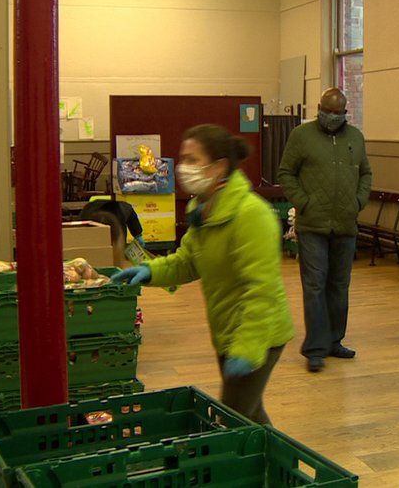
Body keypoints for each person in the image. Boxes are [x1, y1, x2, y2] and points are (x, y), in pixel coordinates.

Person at [112, 124, 294, 424]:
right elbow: (187, 262)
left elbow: (261, 290)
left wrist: (247, 348)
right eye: (183, 159)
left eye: (192, 160)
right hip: (228, 330)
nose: (183, 168)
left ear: (219, 167)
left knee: (233, 420)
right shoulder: (204, 209)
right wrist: (148, 271)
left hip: (259, 333)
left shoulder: (251, 215)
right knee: (250, 416)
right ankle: (277, 454)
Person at [277, 88, 372, 373]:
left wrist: (358, 201)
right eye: (327, 111)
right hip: (312, 224)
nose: (331, 116)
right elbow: (285, 173)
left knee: (339, 285)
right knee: (315, 285)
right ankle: (315, 349)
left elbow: (365, 173)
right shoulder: (301, 136)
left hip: (345, 223)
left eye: (337, 112)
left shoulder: (355, 137)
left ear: (345, 113)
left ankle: (334, 341)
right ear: (319, 109)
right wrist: (303, 202)